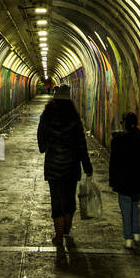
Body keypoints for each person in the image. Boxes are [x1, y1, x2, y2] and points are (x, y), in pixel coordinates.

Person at [37, 84, 91, 247]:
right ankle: (67, 229)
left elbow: (41, 139)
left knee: (56, 200)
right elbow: (82, 144)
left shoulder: (47, 116)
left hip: (53, 165)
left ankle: (59, 235)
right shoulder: (74, 118)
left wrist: (45, 147)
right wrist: (87, 165)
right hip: (71, 165)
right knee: (69, 198)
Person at [109, 112, 140, 249]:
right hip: (136, 180)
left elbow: (113, 162)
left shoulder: (117, 141)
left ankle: (128, 238)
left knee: (126, 208)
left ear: (124, 124)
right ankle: (136, 233)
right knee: (134, 205)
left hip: (122, 180)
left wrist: (113, 179)